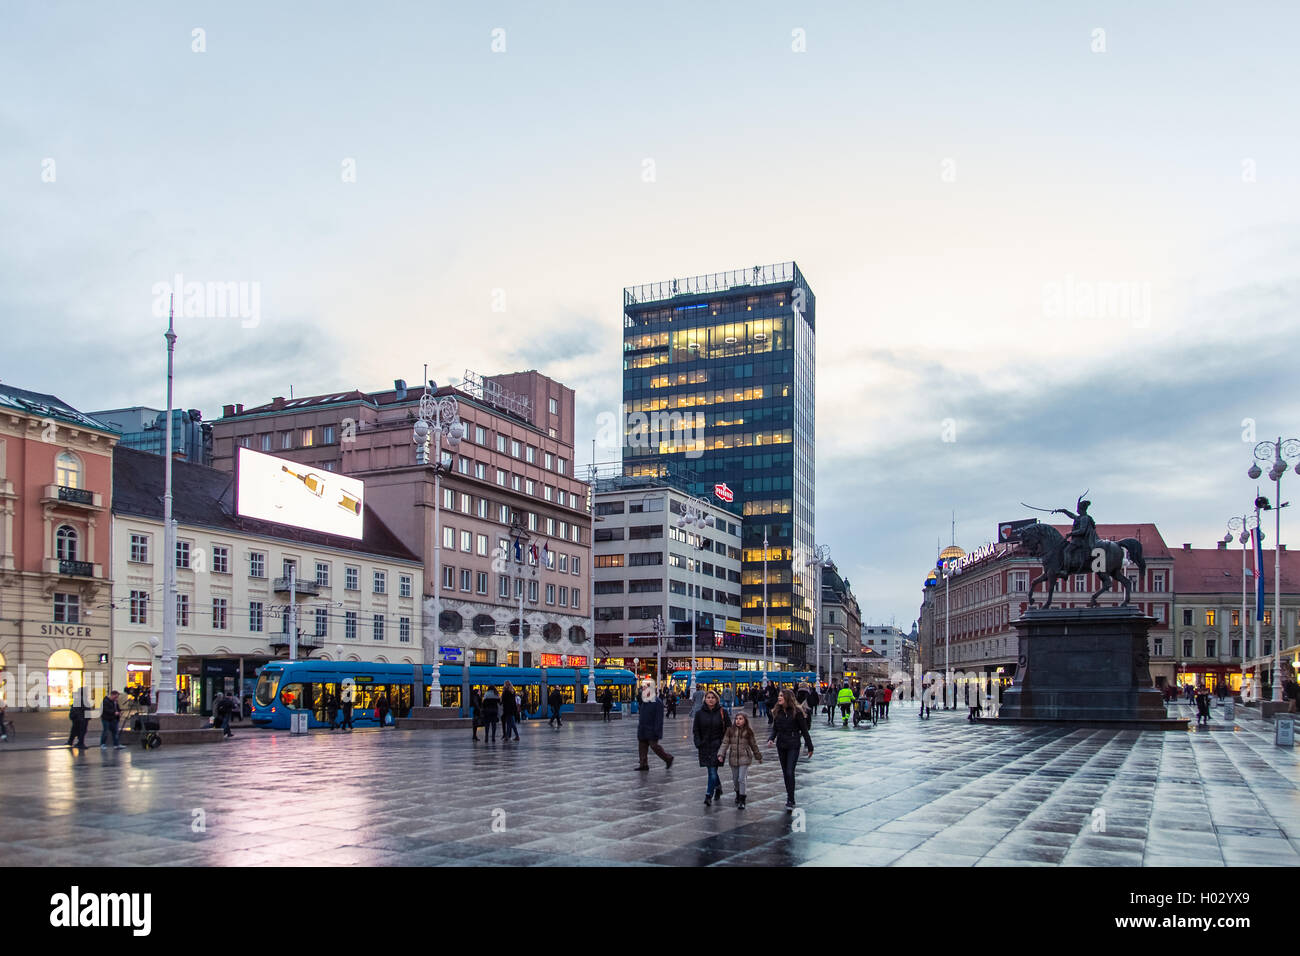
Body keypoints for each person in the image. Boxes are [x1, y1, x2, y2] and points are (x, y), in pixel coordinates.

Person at [766, 688, 814, 810]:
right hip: (781, 744)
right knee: (785, 773)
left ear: (787, 697)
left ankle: (791, 799)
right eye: (779, 696)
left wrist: (810, 746)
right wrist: (771, 738)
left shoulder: (797, 712)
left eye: (781, 696)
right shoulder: (777, 711)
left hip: (793, 743)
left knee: (789, 772)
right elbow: (775, 728)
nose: (779, 698)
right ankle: (789, 796)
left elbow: (804, 730)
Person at [692, 690, 730, 806]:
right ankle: (717, 787)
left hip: (717, 746)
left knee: (712, 771)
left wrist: (724, 743)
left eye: (713, 697)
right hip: (704, 746)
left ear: (717, 699)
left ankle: (708, 795)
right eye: (708, 697)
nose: (710, 699)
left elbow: (729, 729)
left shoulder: (723, 712)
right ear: (705, 699)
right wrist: (698, 742)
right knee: (711, 770)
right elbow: (696, 730)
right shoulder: (699, 713)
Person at [717, 711, 762, 808]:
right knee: (735, 779)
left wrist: (758, 756)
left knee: (741, 778)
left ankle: (742, 798)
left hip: (745, 758)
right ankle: (737, 793)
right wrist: (721, 754)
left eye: (741, 719)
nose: (738, 721)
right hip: (733, 758)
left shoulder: (748, 731)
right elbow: (725, 743)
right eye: (737, 719)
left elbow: (753, 745)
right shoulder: (730, 730)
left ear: (745, 720)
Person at [635, 680, 674, 771]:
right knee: (642, 747)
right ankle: (643, 764)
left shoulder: (657, 702)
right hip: (643, 728)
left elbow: (659, 718)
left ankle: (668, 758)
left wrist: (657, 731)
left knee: (654, 746)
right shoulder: (644, 700)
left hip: (652, 729)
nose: (643, 690)